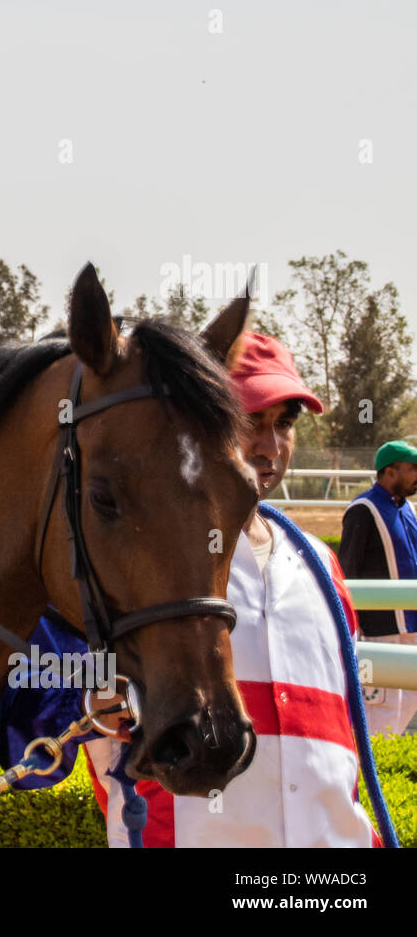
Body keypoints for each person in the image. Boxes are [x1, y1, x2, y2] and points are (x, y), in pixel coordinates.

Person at [86, 332, 380, 847]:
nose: (270, 446)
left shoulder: (321, 564)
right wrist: (90, 692)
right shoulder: (134, 556)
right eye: (251, 421)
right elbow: (52, 702)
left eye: (284, 423)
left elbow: (344, 750)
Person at [339, 439, 417, 736]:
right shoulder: (363, 509)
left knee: (407, 701)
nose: (416, 475)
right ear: (389, 471)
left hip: (410, 626)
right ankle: (372, 770)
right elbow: (346, 570)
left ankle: (386, 762)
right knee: (380, 711)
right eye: (412, 468)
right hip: (378, 631)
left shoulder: (407, 508)